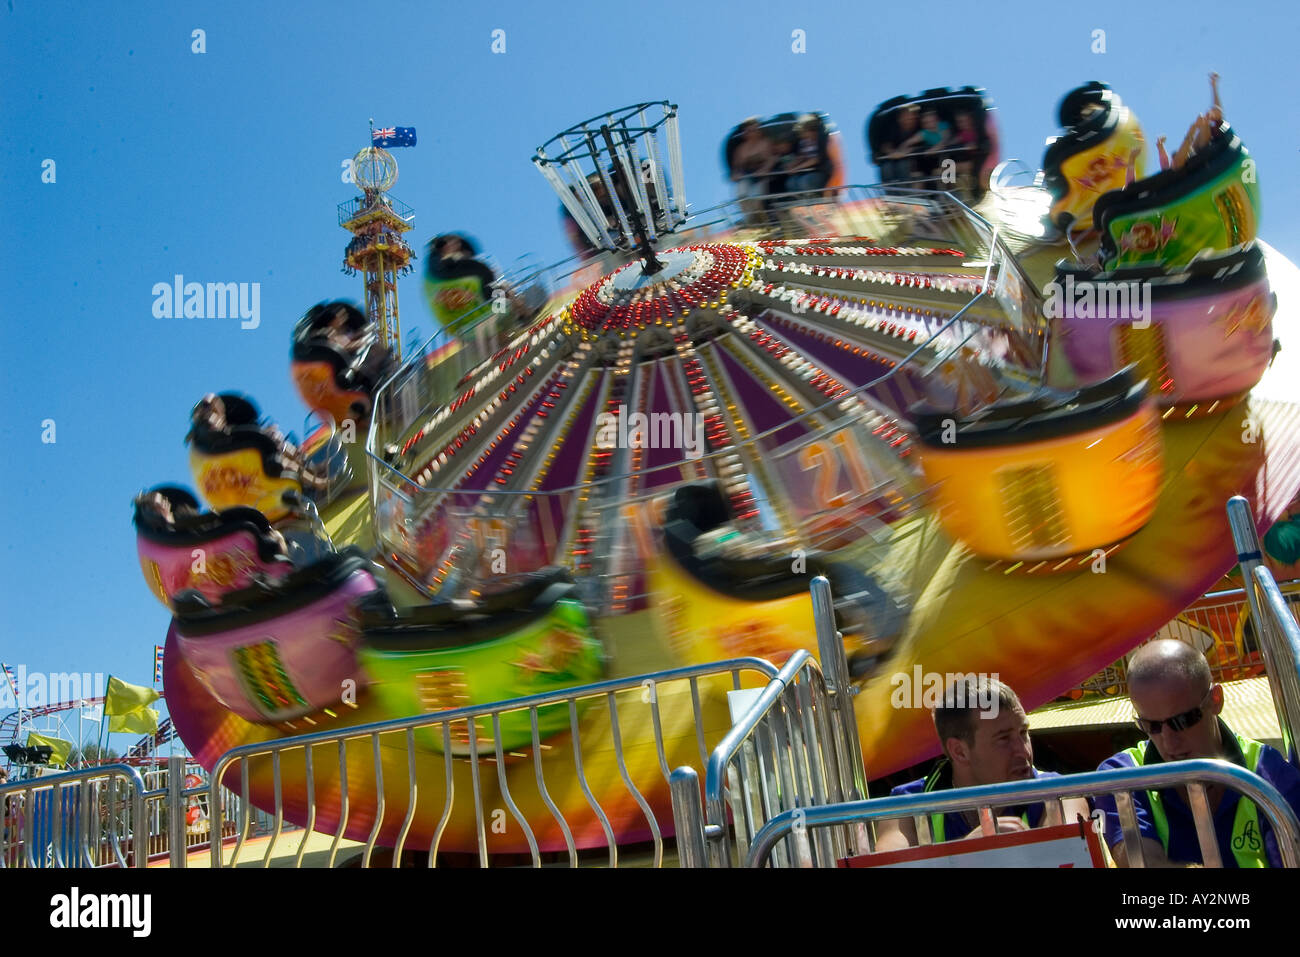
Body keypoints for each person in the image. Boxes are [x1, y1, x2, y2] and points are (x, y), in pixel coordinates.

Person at [1094, 639, 1300, 867]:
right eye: (1151, 726)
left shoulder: (1269, 772)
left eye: (1183, 720)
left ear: (1216, 700)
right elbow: (1142, 864)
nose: (1169, 740)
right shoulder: (1120, 775)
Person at [876, 676, 1089, 850]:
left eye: (1024, 733)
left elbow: (1067, 853)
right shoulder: (905, 804)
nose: (1023, 751)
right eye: (1003, 738)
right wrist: (968, 852)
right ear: (959, 751)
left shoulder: (1061, 793)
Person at [783, 116, 828, 194]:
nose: (802, 136)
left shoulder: (822, 140)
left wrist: (797, 168)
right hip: (806, 172)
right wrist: (792, 165)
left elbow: (816, 159)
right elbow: (802, 156)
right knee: (791, 183)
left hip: (820, 172)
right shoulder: (804, 142)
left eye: (803, 132)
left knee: (805, 182)